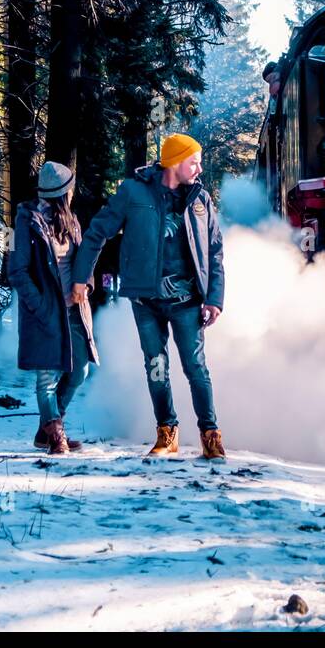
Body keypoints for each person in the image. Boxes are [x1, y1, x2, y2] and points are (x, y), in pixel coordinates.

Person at [71, 133, 226, 460]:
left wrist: (214, 298)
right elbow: (98, 232)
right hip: (146, 301)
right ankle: (166, 432)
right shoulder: (133, 192)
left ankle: (210, 436)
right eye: (194, 161)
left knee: (195, 368)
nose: (199, 168)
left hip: (187, 302)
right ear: (175, 162)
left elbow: (214, 252)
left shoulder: (201, 199)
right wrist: (82, 276)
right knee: (156, 366)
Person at [9, 161, 99, 455]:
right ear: (62, 192)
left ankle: (47, 427)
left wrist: (86, 285)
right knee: (47, 377)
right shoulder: (26, 221)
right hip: (46, 311)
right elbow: (17, 271)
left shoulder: (72, 220)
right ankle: (55, 433)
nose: (73, 193)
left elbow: (83, 261)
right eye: (70, 189)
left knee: (79, 371)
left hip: (74, 309)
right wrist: (40, 306)